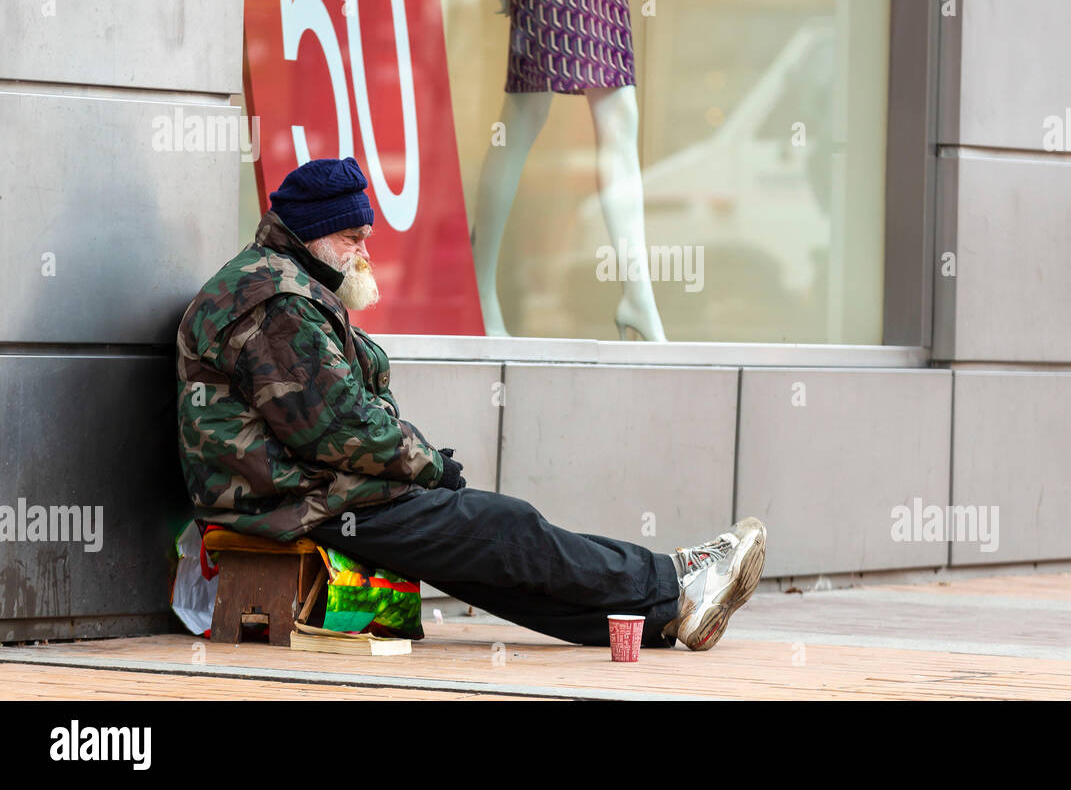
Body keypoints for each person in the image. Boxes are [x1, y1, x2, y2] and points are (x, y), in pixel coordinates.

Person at [175, 158, 766, 650]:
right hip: (289, 500)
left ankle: (661, 614)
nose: (363, 256)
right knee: (501, 527)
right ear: (311, 236)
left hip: (313, 491)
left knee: (489, 550)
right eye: (353, 240)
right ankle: (677, 581)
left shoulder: (286, 286)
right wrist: (428, 464)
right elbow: (337, 428)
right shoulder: (277, 301)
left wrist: (421, 466)